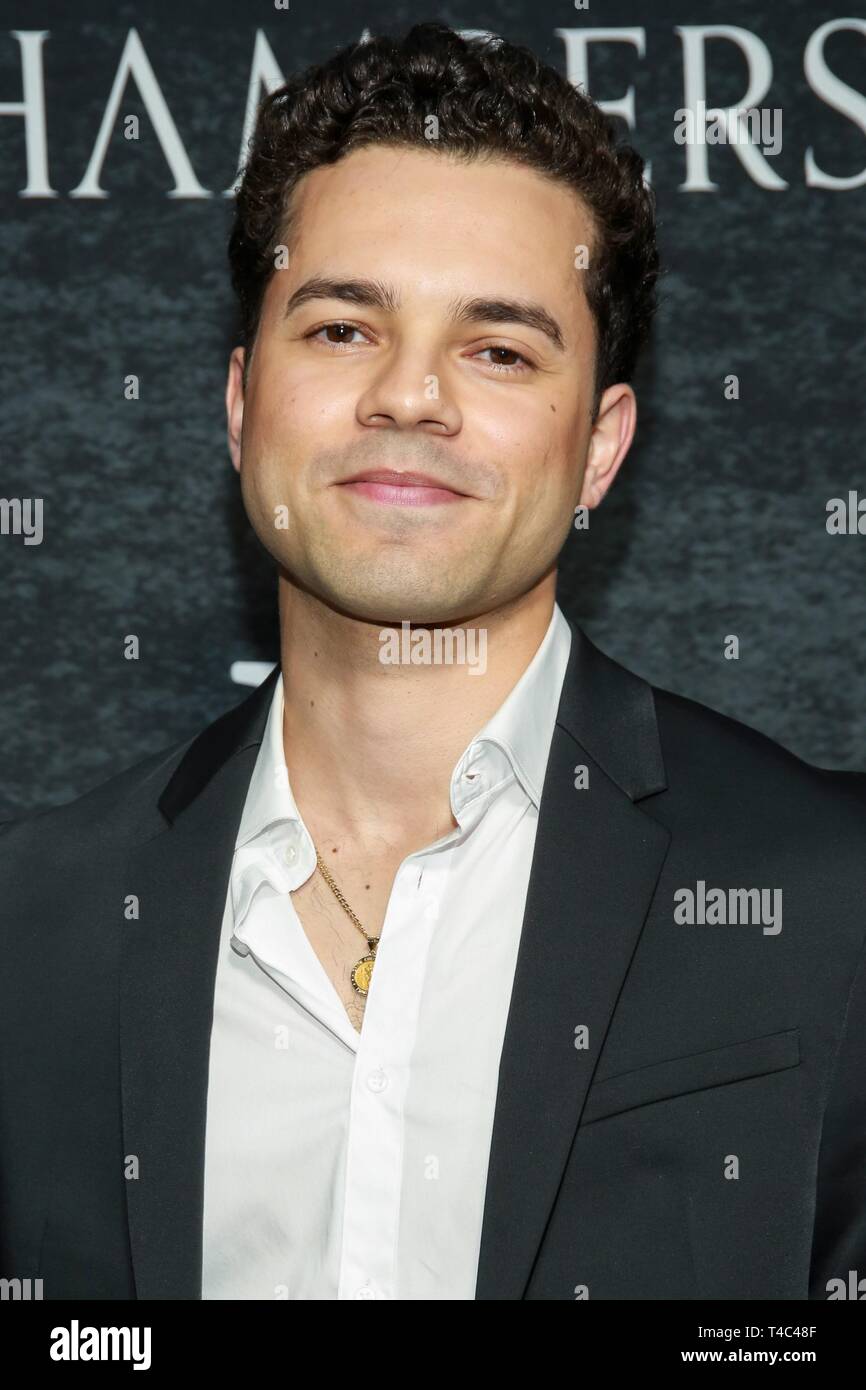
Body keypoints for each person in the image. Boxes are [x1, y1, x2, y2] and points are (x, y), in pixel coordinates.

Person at [1, 22, 864, 1303]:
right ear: (242, 405)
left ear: (598, 448)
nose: (410, 397)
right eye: (343, 327)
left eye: (498, 349)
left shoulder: (830, 896)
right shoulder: (34, 925)